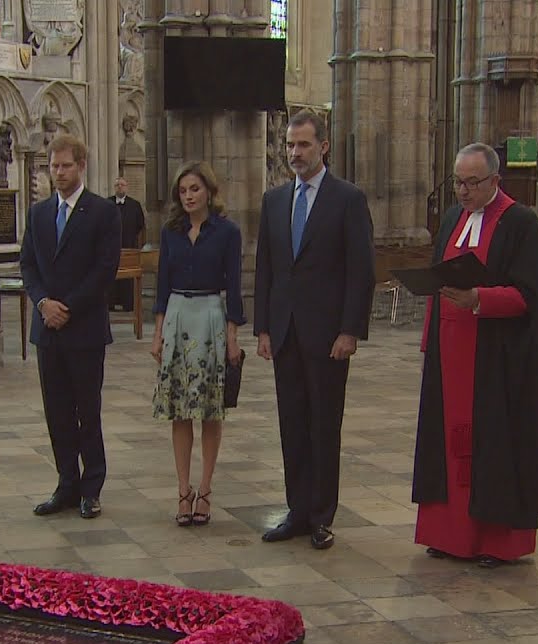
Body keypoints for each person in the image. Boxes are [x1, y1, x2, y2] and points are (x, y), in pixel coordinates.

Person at [411, 143, 538, 568]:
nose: (462, 191)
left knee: (493, 445)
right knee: (447, 445)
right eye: (457, 182)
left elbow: (533, 296)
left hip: (495, 358)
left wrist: (479, 298)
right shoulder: (453, 218)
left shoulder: (522, 224)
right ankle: (448, 534)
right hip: (449, 353)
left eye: (472, 183)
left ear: (496, 180)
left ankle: (495, 540)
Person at [254, 110, 375, 550]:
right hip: (285, 331)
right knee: (292, 425)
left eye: (303, 144)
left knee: (324, 424)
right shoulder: (274, 201)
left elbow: (360, 271)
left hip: (327, 336)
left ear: (323, 146)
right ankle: (297, 510)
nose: (295, 153)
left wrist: (350, 330)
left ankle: (323, 514)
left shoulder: (347, 199)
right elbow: (266, 268)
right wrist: (263, 327)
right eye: (290, 145)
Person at [21, 134, 122, 520]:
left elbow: (104, 269)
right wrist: (43, 302)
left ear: (81, 166)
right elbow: (28, 264)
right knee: (57, 410)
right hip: (47, 328)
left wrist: (68, 307)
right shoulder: (39, 213)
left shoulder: (101, 212)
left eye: (65, 165)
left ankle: (91, 486)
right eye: (53, 166)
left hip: (83, 328)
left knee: (87, 409)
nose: (58, 173)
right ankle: (66, 483)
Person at [150, 162, 244, 527]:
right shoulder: (170, 232)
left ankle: (205, 490)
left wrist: (233, 338)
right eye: (183, 191)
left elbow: (234, 288)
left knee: (208, 409)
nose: (188, 196)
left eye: (194, 189)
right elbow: (161, 288)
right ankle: (182, 490)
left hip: (210, 317)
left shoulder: (227, 232)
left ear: (209, 192)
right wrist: (158, 334)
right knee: (179, 410)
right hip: (176, 316)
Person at [107, 176, 146, 311]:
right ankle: (110, 303)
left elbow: (140, 225)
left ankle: (128, 303)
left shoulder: (134, 205)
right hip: (111, 248)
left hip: (129, 246)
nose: (120, 187)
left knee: (128, 279)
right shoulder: (107, 204)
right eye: (117, 185)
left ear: (127, 187)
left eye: (122, 185)